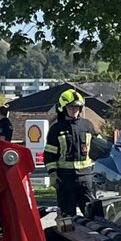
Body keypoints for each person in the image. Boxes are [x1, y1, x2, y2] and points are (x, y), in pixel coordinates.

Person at [40, 87, 95, 221]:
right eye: (71, 107)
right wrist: (53, 174)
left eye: (77, 107)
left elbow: (97, 148)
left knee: (93, 214)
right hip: (65, 178)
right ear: (63, 108)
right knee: (66, 216)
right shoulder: (56, 129)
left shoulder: (87, 126)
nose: (74, 110)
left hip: (86, 177)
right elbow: (49, 155)